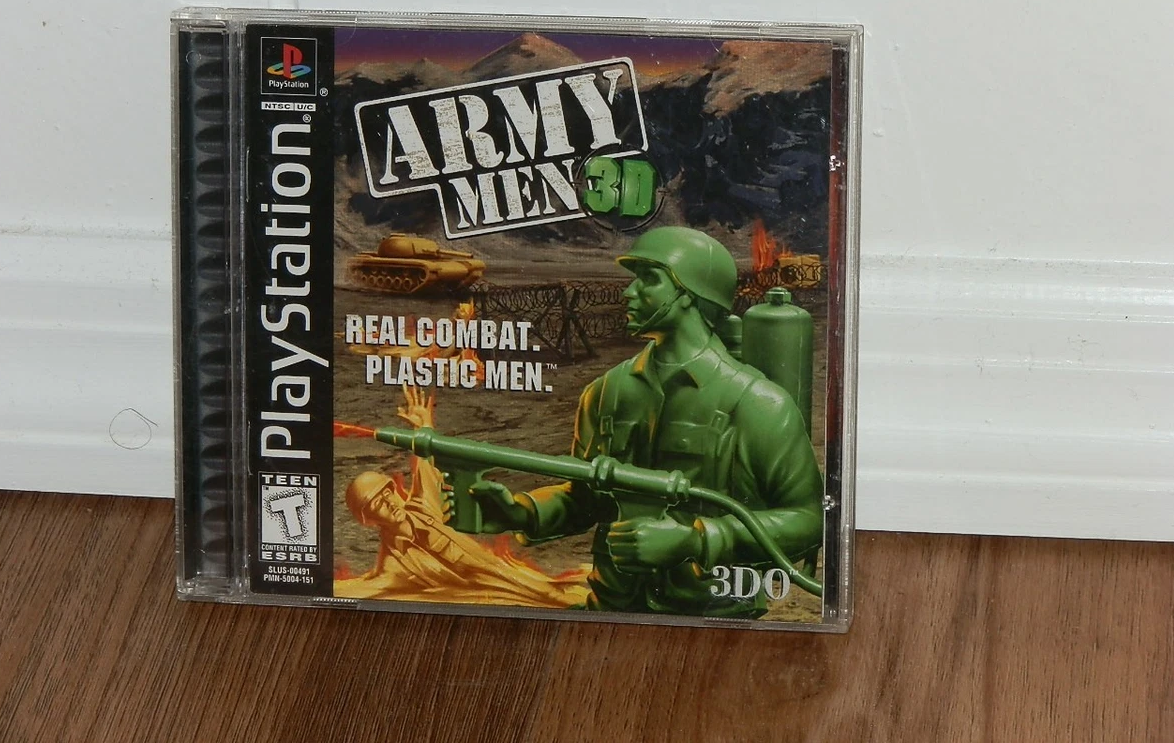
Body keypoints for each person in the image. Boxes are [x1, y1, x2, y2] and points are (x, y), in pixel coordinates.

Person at [468, 226, 824, 617]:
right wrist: (522, 512)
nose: (629, 292)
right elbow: (586, 498)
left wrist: (697, 541)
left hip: (716, 619)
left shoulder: (757, 403)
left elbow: (808, 521)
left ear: (690, 293)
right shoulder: (607, 391)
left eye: (649, 279)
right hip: (610, 610)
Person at [336, 388, 587, 609]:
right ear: (368, 520)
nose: (390, 503)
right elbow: (372, 587)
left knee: (568, 594)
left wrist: (423, 426)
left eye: (387, 493)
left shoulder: (423, 508)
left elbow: (424, 466)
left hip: (508, 576)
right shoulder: (396, 562)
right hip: (494, 597)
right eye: (378, 504)